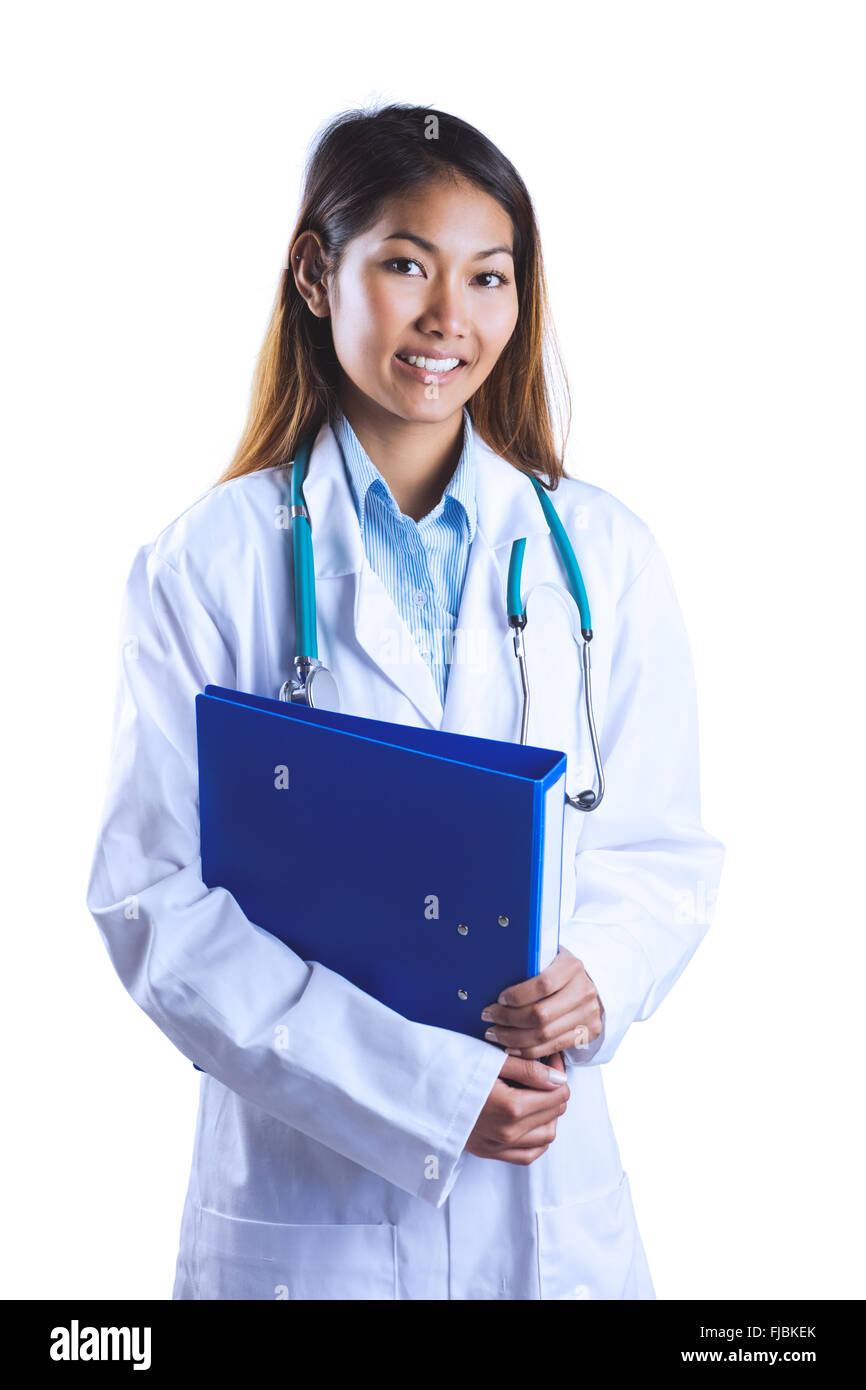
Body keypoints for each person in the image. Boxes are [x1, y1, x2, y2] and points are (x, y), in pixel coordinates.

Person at [86, 102, 725, 1301]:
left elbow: (660, 847)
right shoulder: (208, 563)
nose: (449, 317)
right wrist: (424, 1092)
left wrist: (600, 968)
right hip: (305, 1217)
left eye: (488, 276)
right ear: (316, 276)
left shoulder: (601, 554)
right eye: (403, 264)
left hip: (554, 1207)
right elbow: (151, 901)